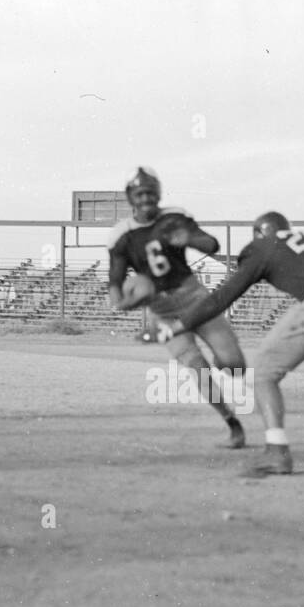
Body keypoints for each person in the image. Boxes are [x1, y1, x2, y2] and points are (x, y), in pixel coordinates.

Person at [158, 212, 304, 476]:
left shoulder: (261, 246)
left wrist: (179, 326)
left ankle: (277, 451)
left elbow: (222, 298)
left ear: (259, 233)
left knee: (263, 372)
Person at [107, 167, 247, 448]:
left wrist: (190, 239)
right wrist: (120, 302)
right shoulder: (122, 234)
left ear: (157, 194)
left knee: (235, 367)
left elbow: (212, 244)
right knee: (197, 368)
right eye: (140, 193)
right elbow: (115, 278)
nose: (146, 198)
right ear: (131, 198)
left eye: (150, 192)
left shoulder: (174, 216)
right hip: (162, 310)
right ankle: (232, 423)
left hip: (194, 298)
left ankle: (224, 362)